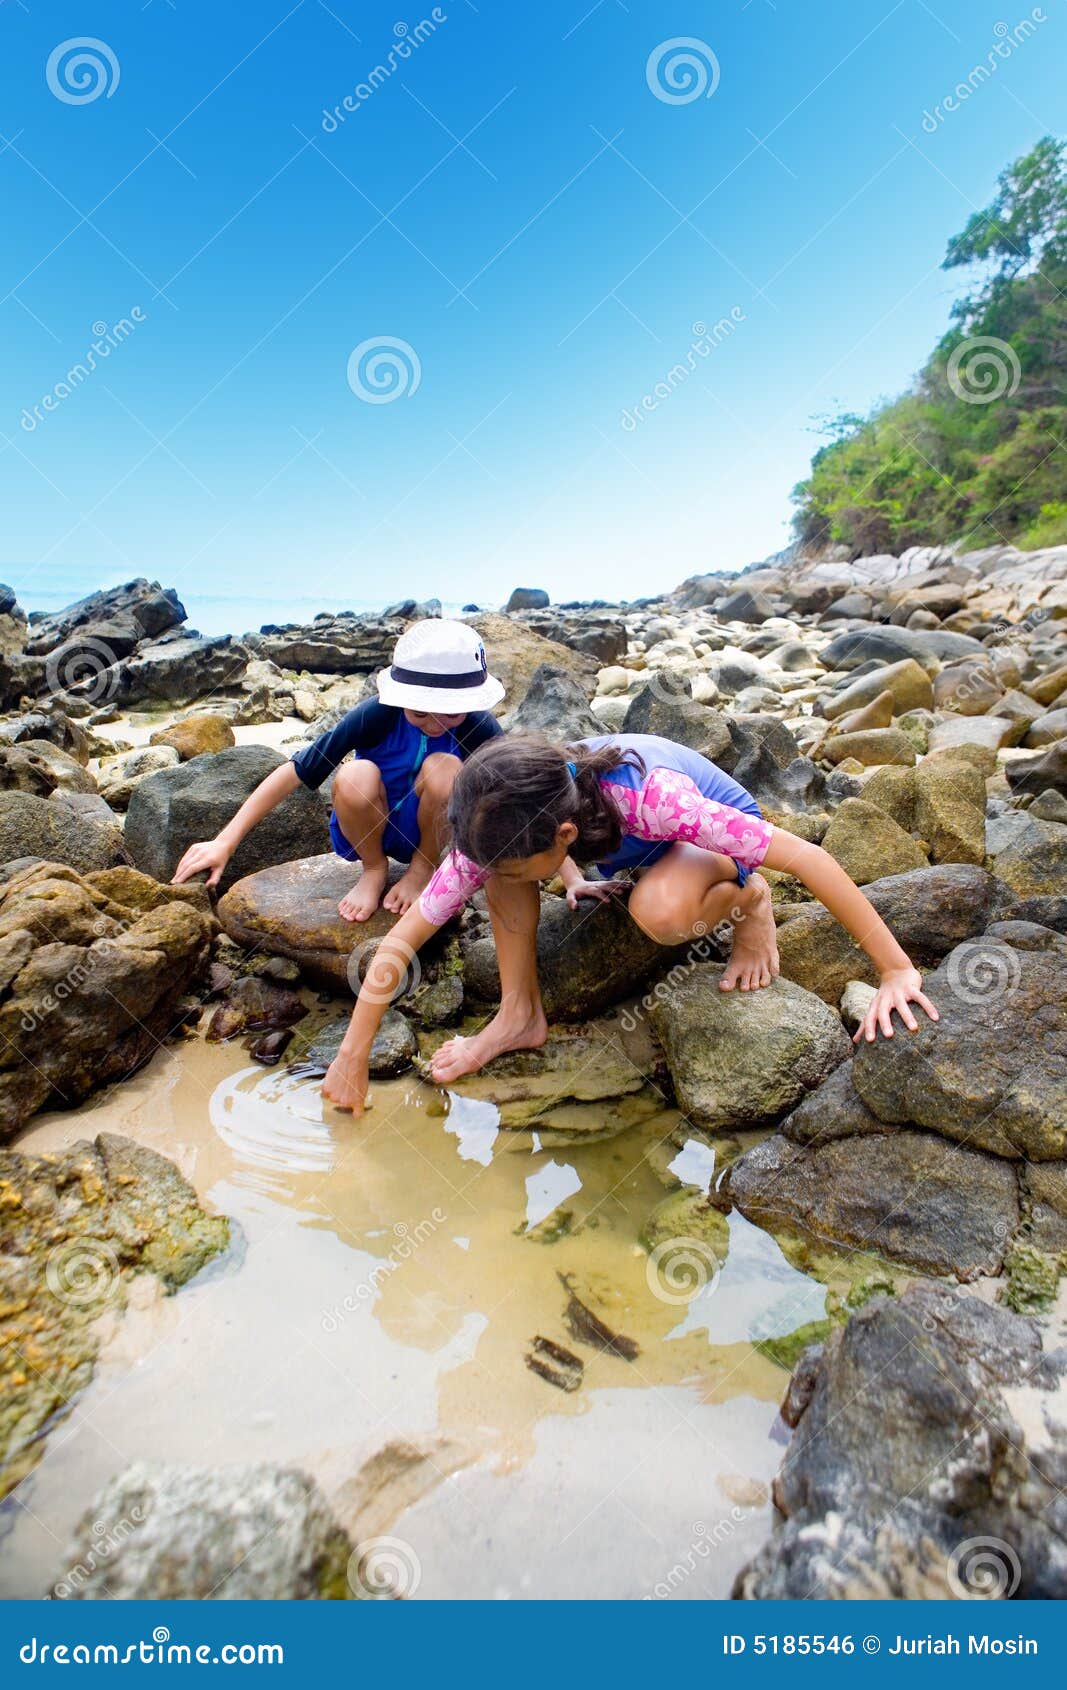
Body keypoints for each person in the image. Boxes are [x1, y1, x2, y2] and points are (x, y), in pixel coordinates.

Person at [321, 732, 940, 1115]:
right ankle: (519, 1015)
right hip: (640, 849)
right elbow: (400, 942)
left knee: (658, 913)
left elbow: (808, 858)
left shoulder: (653, 798)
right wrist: (352, 1055)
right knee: (502, 872)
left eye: (512, 860)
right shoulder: (506, 817)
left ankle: (750, 902)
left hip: (712, 839)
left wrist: (895, 970)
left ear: (564, 836)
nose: (478, 874)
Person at [171, 620, 506, 921]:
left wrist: (537, 868)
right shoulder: (377, 714)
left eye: (450, 714)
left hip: (432, 832)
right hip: (369, 824)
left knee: (446, 768)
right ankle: (373, 869)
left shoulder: (478, 726)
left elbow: (517, 789)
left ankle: (421, 869)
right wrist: (225, 841)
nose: (434, 724)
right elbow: (296, 770)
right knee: (354, 773)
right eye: (420, 713)